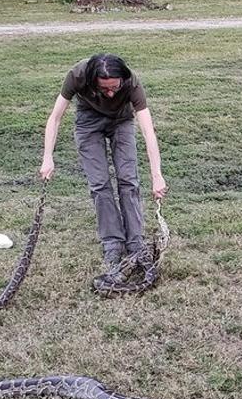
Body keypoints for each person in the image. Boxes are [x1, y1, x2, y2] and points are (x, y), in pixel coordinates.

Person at [38, 53, 168, 268]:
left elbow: (148, 131)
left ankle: (135, 242)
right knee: (99, 184)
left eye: (115, 87)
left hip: (121, 121)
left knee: (128, 180)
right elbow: (55, 118)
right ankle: (112, 242)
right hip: (88, 122)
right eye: (104, 88)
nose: (110, 93)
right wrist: (47, 157)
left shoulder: (131, 82)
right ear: (92, 80)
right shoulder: (77, 75)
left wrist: (157, 176)